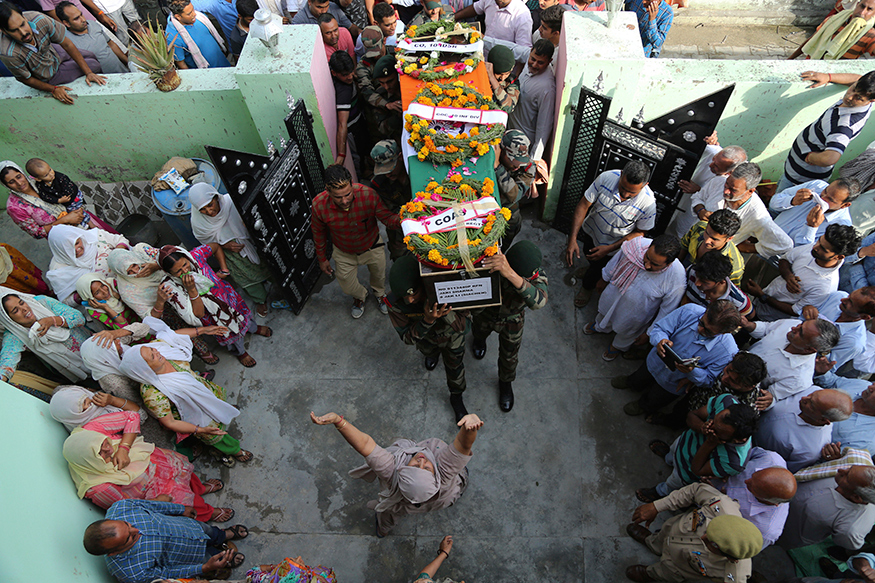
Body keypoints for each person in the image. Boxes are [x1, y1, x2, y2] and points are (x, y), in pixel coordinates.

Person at [310, 409, 483, 537]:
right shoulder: (443, 474)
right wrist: (470, 428)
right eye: (426, 467)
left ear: (403, 471)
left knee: (387, 515)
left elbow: (364, 444)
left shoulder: (392, 470)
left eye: (416, 465)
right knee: (460, 474)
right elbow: (463, 444)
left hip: (399, 504)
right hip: (442, 499)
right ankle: (383, 529)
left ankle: (382, 531)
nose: (422, 459)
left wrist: (338, 421)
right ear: (436, 478)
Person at [118, 323, 253, 467]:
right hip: (196, 413)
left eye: (152, 349)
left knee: (218, 405)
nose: (157, 352)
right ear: (144, 369)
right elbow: (169, 422)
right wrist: (199, 429)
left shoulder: (160, 350)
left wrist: (203, 330)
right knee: (217, 435)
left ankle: (220, 409)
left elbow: (173, 335)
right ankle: (235, 450)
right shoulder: (152, 394)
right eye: (152, 356)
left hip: (204, 391)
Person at [62, 410, 232, 522]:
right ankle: (210, 512)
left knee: (185, 474)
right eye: (101, 453)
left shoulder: (91, 432)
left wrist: (123, 448)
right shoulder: (98, 488)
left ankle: (200, 488)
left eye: (104, 443)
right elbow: (126, 508)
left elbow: (131, 416)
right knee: (189, 504)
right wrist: (157, 502)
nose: (108, 448)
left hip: (157, 461)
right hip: (155, 490)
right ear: (89, 462)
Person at [616, 301, 740, 419]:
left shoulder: (728, 352)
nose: (700, 330)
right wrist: (660, 340)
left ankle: (642, 405)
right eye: (701, 323)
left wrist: (692, 372)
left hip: (673, 383)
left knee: (655, 398)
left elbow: (709, 380)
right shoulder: (689, 311)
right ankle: (631, 383)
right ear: (706, 310)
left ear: (726, 332)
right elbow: (660, 329)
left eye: (708, 331)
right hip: (655, 361)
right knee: (640, 376)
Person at [387, 254, 471, 420]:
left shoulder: (450, 288)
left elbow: (464, 327)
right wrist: (427, 321)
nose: (410, 301)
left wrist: (445, 311)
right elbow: (407, 338)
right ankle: (432, 355)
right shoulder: (396, 303)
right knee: (428, 353)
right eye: (405, 296)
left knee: (455, 368)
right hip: (426, 340)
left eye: (414, 293)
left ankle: (456, 396)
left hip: (452, 340)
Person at [83, 499, 250, 582]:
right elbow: (167, 574)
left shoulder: (121, 508)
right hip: (191, 557)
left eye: (128, 525)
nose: (137, 530)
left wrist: (180, 509)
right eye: (130, 537)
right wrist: (205, 567)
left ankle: (224, 535)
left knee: (212, 532)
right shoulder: (129, 572)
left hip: (189, 526)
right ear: (113, 552)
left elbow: (154, 506)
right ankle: (223, 558)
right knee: (215, 557)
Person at [157, 244, 271, 367]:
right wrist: (192, 290)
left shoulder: (195, 257)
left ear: (186, 257)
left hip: (228, 298)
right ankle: (240, 352)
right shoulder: (170, 288)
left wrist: (224, 269)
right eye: (178, 271)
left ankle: (252, 328)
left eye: (185, 264)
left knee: (242, 316)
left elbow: (215, 247)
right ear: (168, 272)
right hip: (213, 316)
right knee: (228, 332)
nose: (185, 271)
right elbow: (198, 314)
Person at [626, 483, 763, 583]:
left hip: (678, 568)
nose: (703, 536)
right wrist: (657, 506)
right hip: (671, 532)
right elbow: (695, 491)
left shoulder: (733, 575)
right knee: (662, 535)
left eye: (712, 542)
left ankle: (650, 575)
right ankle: (652, 542)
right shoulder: (723, 507)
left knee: (665, 573)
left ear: (731, 558)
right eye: (710, 530)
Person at [107, 244, 221, 365]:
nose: (136, 271)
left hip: (182, 281)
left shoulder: (143, 251)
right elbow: (149, 320)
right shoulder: (128, 291)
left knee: (209, 307)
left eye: (134, 265)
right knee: (185, 329)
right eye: (129, 271)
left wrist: (156, 266)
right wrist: (160, 301)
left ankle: (219, 330)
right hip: (167, 307)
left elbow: (168, 259)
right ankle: (204, 351)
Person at [564, 160, 657, 308]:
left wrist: (609, 248)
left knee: (599, 269)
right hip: (591, 232)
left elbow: (640, 232)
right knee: (590, 255)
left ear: (644, 185)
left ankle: (587, 287)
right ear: (621, 175)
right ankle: (590, 268)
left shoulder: (648, 203)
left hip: (614, 248)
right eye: (623, 187)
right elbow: (584, 205)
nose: (625, 194)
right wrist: (573, 238)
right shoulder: (606, 177)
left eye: (632, 192)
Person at [312, 164, 400, 318]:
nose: (345, 201)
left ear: (352, 185)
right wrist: (322, 258)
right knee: (347, 285)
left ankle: (379, 294)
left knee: (379, 277)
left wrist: (407, 218)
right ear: (327, 191)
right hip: (343, 251)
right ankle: (360, 296)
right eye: (338, 197)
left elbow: (387, 219)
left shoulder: (369, 195)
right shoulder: (319, 205)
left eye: (348, 194)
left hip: (372, 246)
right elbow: (318, 232)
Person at [471, 241, 548, 412]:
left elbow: (539, 302)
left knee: (509, 355)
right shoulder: (493, 264)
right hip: (487, 313)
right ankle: (479, 341)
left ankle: (505, 382)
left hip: (513, 319)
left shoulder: (535, 273)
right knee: (478, 331)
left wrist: (511, 275)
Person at [638, 393, 758, 501]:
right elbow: (692, 415)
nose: (711, 428)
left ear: (736, 440)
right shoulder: (725, 401)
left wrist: (710, 443)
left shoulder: (734, 461)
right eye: (713, 422)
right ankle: (669, 457)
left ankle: (660, 492)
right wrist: (701, 427)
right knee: (672, 452)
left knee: (671, 484)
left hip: (685, 472)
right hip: (683, 441)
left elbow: (697, 470)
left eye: (717, 431)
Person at [586, 235, 685, 362]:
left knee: (628, 332)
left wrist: (650, 333)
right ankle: (600, 326)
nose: (647, 265)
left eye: (654, 264)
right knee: (605, 312)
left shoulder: (677, 279)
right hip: (614, 295)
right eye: (647, 258)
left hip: (636, 313)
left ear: (669, 263)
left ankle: (617, 346)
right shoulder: (635, 246)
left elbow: (666, 310)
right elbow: (615, 262)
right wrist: (604, 278)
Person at [777, 71, 875, 191]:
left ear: (872, 100)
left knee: (780, 201)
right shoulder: (866, 94)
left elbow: (830, 158)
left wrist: (810, 158)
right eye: (853, 89)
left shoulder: (843, 125)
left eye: (858, 98)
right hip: (796, 167)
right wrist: (828, 77)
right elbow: (857, 78)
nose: (850, 97)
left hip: (801, 176)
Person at [189, 183, 272, 319]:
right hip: (232, 255)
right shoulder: (199, 223)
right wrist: (224, 246)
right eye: (202, 210)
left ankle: (282, 290)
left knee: (271, 268)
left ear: (216, 197)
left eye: (210, 205)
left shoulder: (231, 202)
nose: (209, 212)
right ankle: (260, 300)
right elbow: (207, 243)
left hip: (253, 243)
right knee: (248, 278)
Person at [745, 224, 861, 321]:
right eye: (819, 241)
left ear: (839, 256)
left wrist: (762, 296)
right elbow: (785, 259)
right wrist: (788, 276)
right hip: (760, 299)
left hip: (770, 319)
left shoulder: (824, 287)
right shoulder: (813, 249)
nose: (815, 247)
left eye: (823, 249)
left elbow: (795, 310)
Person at [0, 3, 106, 104]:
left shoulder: (38, 19)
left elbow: (67, 44)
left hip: (53, 51)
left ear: (24, 18)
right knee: (93, 65)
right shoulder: (8, 53)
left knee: (90, 56)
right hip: (48, 73)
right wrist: (53, 89)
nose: (23, 33)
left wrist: (89, 73)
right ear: (4, 32)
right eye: (14, 30)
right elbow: (25, 79)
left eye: (23, 24)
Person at [0, 287, 92, 397]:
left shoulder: (42, 303)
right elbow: (8, 360)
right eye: (16, 311)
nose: (24, 309)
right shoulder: (15, 334)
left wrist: (52, 320)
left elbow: (78, 318)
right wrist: (3, 379)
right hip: (76, 369)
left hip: (93, 346)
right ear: (8, 319)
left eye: (22, 303)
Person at [689, 161, 793, 257]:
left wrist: (741, 247)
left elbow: (784, 245)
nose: (726, 191)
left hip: (711, 256)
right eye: (726, 185)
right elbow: (698, 197)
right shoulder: (718, 181)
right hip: (690, 240)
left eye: (733, 190)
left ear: (750, 191)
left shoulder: (758, 216)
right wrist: (700, 211)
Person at [653, 351, 769, 429]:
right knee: (679, 410)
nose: (724, 378)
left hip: (705, 418)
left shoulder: (748, 407)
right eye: (727, 370)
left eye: (733, 381)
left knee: (682, 424)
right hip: (696, 396)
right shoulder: (741, 358)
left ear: (749, 386)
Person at [1, 161, 115, 238]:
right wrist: (65, 220)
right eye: (11, 182)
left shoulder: (39, 179)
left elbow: (65, 188)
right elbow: (36, 233)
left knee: (109, 241)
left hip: (81, 215)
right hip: (65, 237)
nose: (19, 183)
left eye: (18, 176)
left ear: (22, 173)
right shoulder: (14, 207)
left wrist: (77, 209)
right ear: (6, 185)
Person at [743, 316, 840, 406]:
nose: (794, 328)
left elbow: (769, 397)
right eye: (801, 325)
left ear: (809, 350)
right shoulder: (792, 324)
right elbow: (766, 328)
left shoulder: (799, 379)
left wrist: (769, 399)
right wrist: (748, 325)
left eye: (800, 332)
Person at [779, 465, 875, 550]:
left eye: (847, 476)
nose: (841, 469)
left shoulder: (852, 527)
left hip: (784, 531)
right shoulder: (857, 472)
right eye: (850, 468)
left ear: (856, 497)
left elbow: (847, 541)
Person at [757, 387, 852, 472]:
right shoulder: (812, 390)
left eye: (811, 405)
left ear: (822, 420)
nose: (804, 398)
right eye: (810, 395)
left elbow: (779, 469)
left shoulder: (811, 450)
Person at [721, 449, 796, 549]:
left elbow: (737, 548)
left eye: (752, 488)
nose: (746, 481)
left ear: (772, 502)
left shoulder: (765, 531)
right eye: (753, 475)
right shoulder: (770, 458)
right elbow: (742, 453)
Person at [672, 140, 747, 239]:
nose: (710, 165)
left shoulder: (730, 184)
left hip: (691, 215)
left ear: (729, 173)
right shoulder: (712, 150)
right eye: (713, 159)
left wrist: (699, 190)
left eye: (716, 166)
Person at [507, 39, 555, 191]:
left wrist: (533, 161)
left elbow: (544, 128)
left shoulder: (547, 88)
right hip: (509, 130)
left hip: (523, 144)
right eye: (532, 59)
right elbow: (510, 47)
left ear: (550, 61)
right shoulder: (528, 59)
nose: (534, 65)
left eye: (540, 63)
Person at [45, 224, 129, 305]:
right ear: (60, 250)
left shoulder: (94, 237)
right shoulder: (57, 271)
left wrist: (116, 255)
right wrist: (83, 294)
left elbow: (121, 240)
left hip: (129, 278)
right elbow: (66, 301)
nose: (77, 249)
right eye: (69, 249)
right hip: (107, 304)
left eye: (77, 243)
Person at [770, 178, 859, 246]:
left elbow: (805, 252)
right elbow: (773, 203)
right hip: (765, 234)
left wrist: (811, 227)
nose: (822, 197)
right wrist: (792, 201)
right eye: (825, 191)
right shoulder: (817, 186)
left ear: (845, 205)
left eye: (830, 199)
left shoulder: (840, 227)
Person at [807, 288, 875, 374]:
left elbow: (823, 368)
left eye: (850, 302)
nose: (843, 300)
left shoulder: (854, 343)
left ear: (864, 317)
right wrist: (807, 308)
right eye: (849, 296)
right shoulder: (839, 296)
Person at [788, 0, 875, 60]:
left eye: (869, 9)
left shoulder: (870, 35)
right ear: (857, 5)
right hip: (812, 62)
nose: (862, 12)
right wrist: (790, 59)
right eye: (862, 6)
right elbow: (813, 39)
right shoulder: (834, 19)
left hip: (833, 75)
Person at [55, 2, 128, 74]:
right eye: (76, 18)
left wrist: (128, 63)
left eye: (81, 15)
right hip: (104, 82)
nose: (83, 20)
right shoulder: (67, 42)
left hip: (123, 73)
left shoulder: (93, 24)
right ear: (66, 23)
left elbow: (111, 44)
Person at [678, 209, 745, 286]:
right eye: (707, 233)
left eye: (714, 239)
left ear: (729, 238)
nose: (707, 241)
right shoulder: (699, 227)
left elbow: (729, 289)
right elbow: (684, 246)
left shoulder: (734, 266)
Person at [330, 50, 370, 174]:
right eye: (345, 75)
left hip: (359, 120)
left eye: (351, 72)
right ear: (334, 73)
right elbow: (342, 124)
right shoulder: (344, 92)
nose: (350, 77)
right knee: (357, 156)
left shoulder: (344, 76)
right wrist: (341, 155)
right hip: (353, 129)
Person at [682, 250, 754, 319]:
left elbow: (749, 316)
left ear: (721, 282)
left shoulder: (738, 302)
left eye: (704, 282)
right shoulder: (691, 271)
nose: (697, 283)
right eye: (697, 276)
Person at [368, 140, 409, 259]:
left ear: (400, 157)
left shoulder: (413, 171)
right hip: (399, 227)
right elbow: (386, 214)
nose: (387, 174)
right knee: (401, 258)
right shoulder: (378, 184)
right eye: (383, 170)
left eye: (391, 167)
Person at [494, 129, 535, 248]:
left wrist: (498, 168)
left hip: (508, 211)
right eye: (512, 160)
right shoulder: (490, 157)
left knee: (505, 240)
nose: (517, 165)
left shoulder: (528, 167)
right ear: (501, 151)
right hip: (489, 206)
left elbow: (514, 195)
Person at [27, 157, 91, 229]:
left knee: (76, 211)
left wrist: (64, 198)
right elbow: (45, 196)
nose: (51, 174)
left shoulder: (60, 177)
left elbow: (69, 189)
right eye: (46, 175)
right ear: (38, 179)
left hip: (73, 197)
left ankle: (88, 225)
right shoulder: (40, 186)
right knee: (74, 212)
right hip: (63, 201)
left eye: (50, 170)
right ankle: (87, 224)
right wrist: (58, 200)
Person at [166, 0, 231, 70]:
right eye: (189, 13)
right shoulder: (172, 37)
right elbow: (181, 63)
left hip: (222, 62)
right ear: (178, 16)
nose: (194, 14)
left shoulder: (200, 17)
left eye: (193, 9)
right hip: (206, 72)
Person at [453, 0, 532, 47]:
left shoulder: (522, 16)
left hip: (503, 67)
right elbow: (475, 8)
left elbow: (523, 50)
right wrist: (452, 18)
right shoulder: (490, 1)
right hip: (483, 56)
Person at [371, 54, 402, 140]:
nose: (387, 87)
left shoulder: (406, 88)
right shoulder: (381, 96)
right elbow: (382, 129)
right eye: (382, 83)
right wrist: (398, 116)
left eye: (390, 81)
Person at [292, 0, 358, 38]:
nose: (324, 11)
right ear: (309, 2)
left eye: (326, 6)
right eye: (319, 7)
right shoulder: (299, 20)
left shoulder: (334, 8)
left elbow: (350, 27)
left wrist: (361, 33)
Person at [485, 44, 519, 113]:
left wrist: (493, 79)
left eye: (507, 74)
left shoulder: (511, 80)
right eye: (499, 74)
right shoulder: (482, 75)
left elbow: (509, 107)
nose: (502, 78)